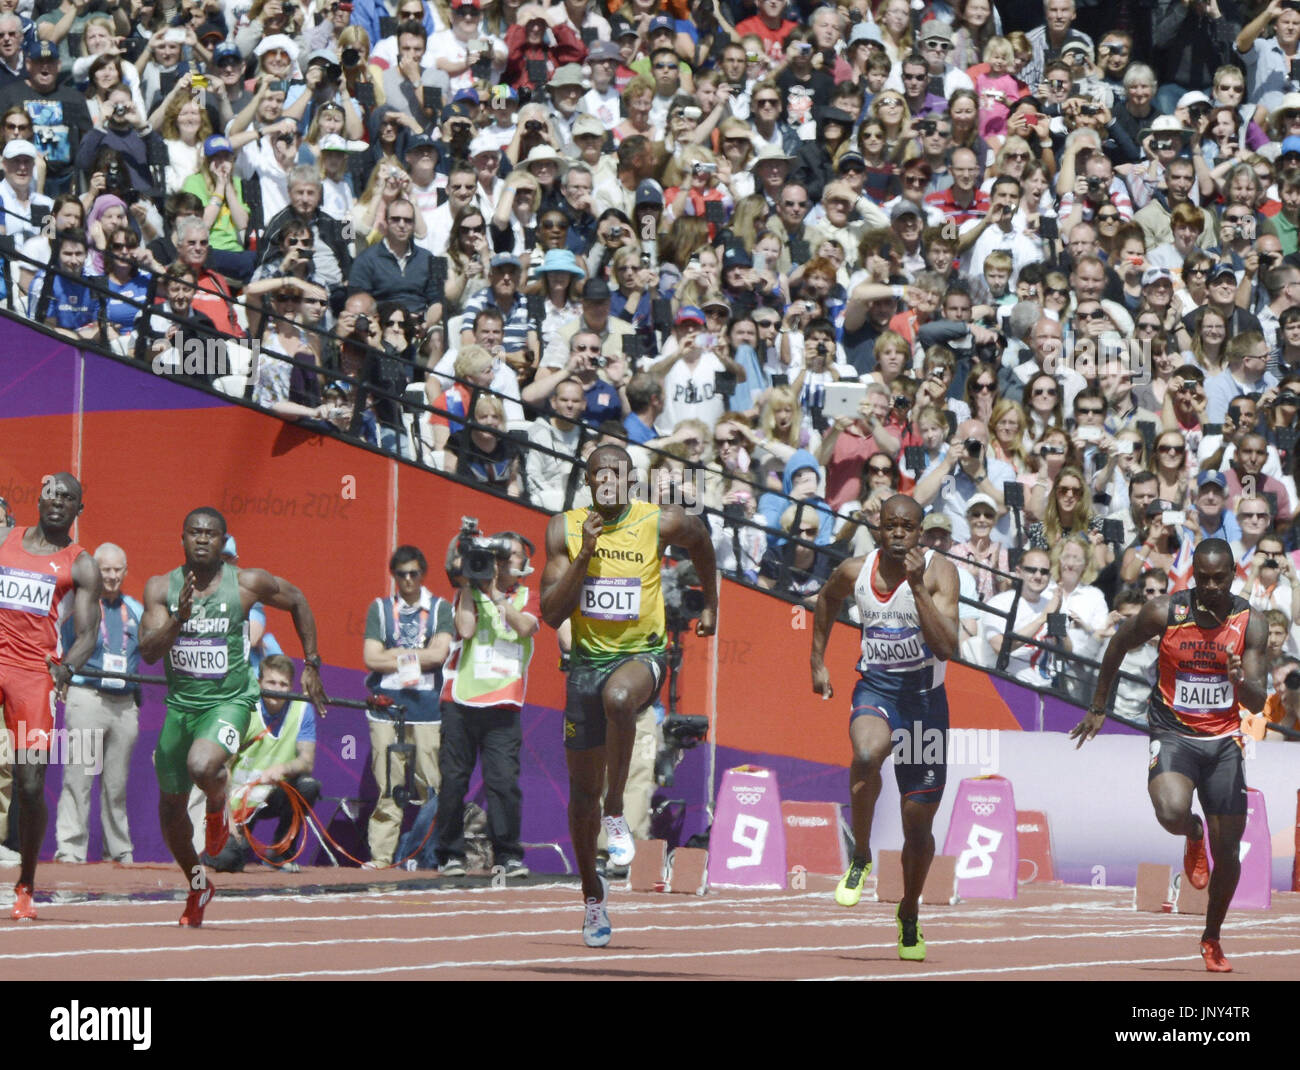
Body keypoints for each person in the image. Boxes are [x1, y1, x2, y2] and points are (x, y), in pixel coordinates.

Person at [539, 443, 718, 947]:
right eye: (602, 476)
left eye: (621, 476)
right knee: (579, 799)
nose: (611, 484)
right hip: (584, 664)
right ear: (590, 481)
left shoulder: (659, 522)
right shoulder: (565, 528)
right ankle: (593, 898)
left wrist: (711, 607)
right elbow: (551, 614)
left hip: (642, 656)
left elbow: (702, 541)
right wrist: (588, 554)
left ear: (632, 481)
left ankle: (615, 810)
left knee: (620, 699)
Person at [1072, 539, 1269, 973]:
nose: (1212, 586)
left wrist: (1240, 680)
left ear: (1234, 575)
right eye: (1204, 577)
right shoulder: (1165, 612)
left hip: (1223, 742)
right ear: (1192, 574)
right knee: (1170, 811)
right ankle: (1191, 833)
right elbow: (1119, 644)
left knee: (1230, 850)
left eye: (1220, 578)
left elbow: (1256, 703)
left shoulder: (1250, 623)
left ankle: (1212, 936)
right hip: (1173, 731)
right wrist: (1099, 706)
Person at [138, 507, 328, 927]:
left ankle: (218, 800)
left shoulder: (245, 583)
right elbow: (150, 651)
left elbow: (296, 599)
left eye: (210, 534)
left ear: (223, 542)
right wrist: (179, 619)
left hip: (230, 702)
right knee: (169, 811)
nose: (202, 540)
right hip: (182, 705)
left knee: (202, 764)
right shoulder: (159, 587)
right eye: (194, 533)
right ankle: (197, 884)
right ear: (182, 538)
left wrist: (312, 663)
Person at [810, 494, 960, 962]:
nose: (898, 533)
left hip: (924, 702)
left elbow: (948, 647)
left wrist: (916, 589)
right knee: (867, 754)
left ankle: (909, 911)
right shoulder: (856, 571)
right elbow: (826, 598)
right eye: (890, 525)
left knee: (917, 824)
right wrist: (817, 661)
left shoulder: (939, 572)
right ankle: (860, 856)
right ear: (879, 528)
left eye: (908, 527)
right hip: (876, 689)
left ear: (920, 533)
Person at [0, 474, 101, 920]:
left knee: (30, 783)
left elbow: (88, 633)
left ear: (79, 508)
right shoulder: (6, 538)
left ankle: (25, 882)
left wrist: (67, 667)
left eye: (68, 497)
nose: (58, 501)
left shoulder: (81, 564)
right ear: (38, 497)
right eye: (51, 493)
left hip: (33, 676)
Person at [435, 531, 538, 877]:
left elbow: (525, 627)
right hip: (461, 700)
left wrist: (495, 594)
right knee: (453, 780)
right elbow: (464, 629)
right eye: (506, 557)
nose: (512, 562)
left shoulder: (527, 596)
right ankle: (449, 853)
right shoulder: (469, 593)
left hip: (504, 704)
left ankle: (508, 855)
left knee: (504, 783)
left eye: (515, 557)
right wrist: (468, 583)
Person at [360, 545, 454, 869]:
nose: (409, 580)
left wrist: (394, 654)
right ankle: (381, 857)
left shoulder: (441, 608)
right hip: (386, 706)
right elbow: (371, 658)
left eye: (414, 573)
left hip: (427, 709)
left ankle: (432, 856)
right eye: (402, 574)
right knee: (389, 785)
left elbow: (439, 655)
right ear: (394, 576)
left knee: (432, 786)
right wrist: (416, 655)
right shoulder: (381, 608)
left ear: (423, 573)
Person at [54, 541, 141, 865]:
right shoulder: (78, 607)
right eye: (106, 569)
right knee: (79, 777)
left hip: (123, 705)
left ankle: (119, 850)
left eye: (118, 569)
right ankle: (71, 849)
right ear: (95, 571)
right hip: (88, 698)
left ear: (126, 571)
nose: (112, 576)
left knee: (116, 784)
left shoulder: (134, 608)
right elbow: (60, 645)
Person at [206, 654, 320, 873]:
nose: (277, 689)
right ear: (259, 683)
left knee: (308, 786)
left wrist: (284, 768)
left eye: (283, 684)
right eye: (271, 683)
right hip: (237, 798)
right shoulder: (243, 710)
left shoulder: (302, 709)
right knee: (228, 860)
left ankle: (281, 852)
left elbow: (307, 761)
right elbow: (221, 769)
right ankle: (222, 846)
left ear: (291, 686)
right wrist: (227, 819)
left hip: (273, 792)